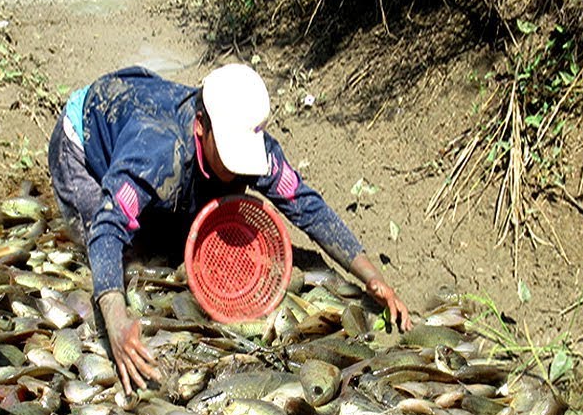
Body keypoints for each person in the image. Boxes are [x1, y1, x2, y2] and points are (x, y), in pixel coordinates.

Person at [47, 63, 412, 393]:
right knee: (130, 254)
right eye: (228, 151)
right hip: (82, 138)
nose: (239, 168)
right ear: (201, 126)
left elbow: (305, 203)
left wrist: (368, 275)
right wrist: (115, 318)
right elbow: (109, 227)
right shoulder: (158, 153)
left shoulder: (254, 144)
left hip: (142, 102)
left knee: (177, 223)